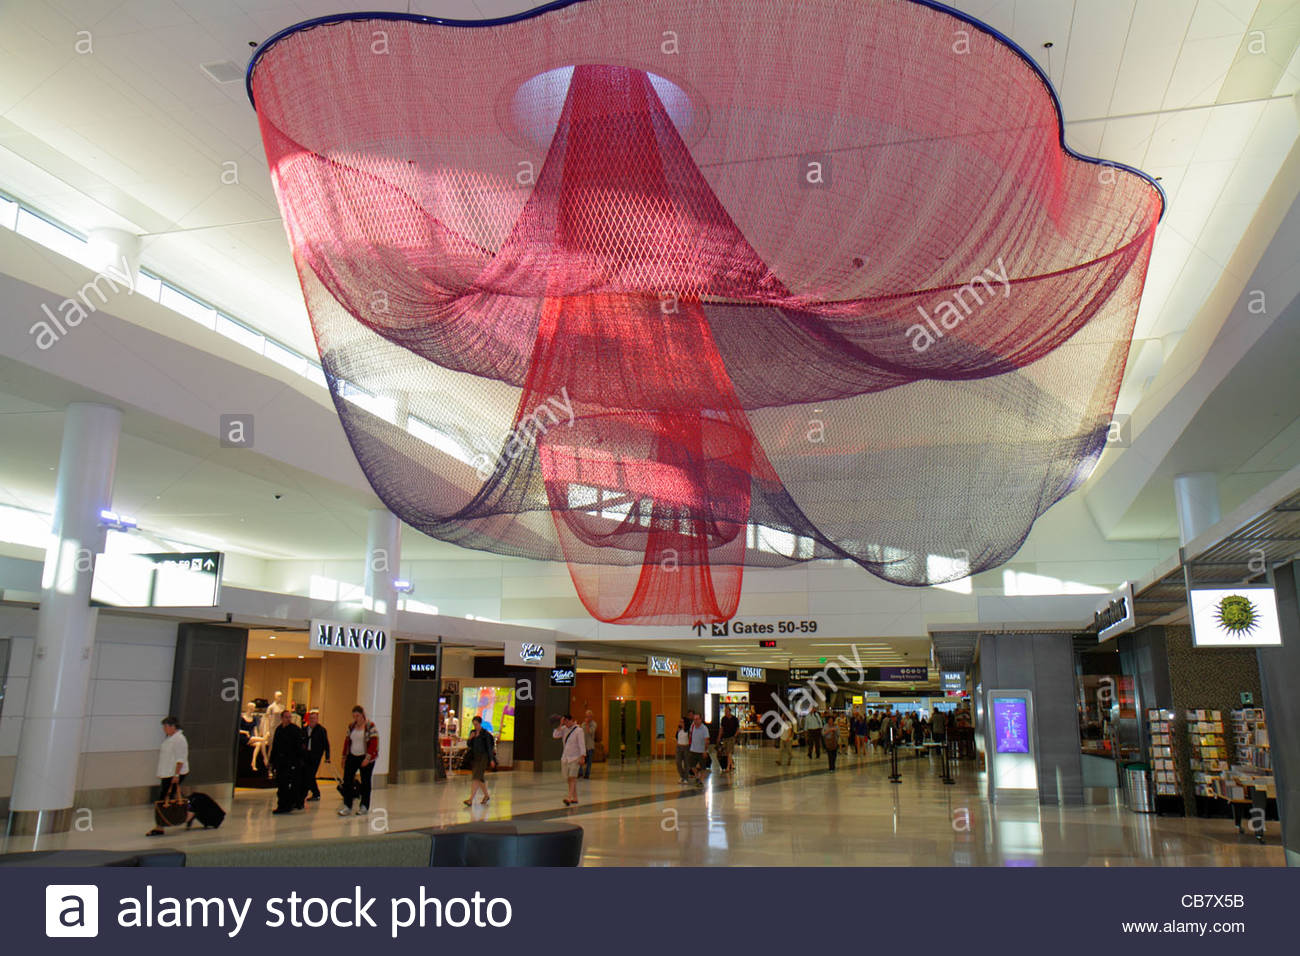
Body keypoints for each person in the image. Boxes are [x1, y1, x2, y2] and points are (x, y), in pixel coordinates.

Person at [337, 705, 378, 816]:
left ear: (362, 715)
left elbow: (374, 742)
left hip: (365, 757)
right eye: (354, 716)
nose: (356, 718)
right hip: (352, 756)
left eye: (358, 716)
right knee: (348, 780)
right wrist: (344, 757)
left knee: (365, 782)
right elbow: (347, 742)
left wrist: (368, 758)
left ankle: (364, 805)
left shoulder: (370, 726)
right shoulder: (351, 727)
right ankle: (347, 805)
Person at [270, 709, 305, 814]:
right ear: (282, 718)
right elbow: (275, 746)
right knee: (281, 784)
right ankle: (282, 805)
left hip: (291, 762)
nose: (289, 719)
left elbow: (299, 747)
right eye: (286, 717)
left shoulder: (295, 730)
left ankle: (288, 805)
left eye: (290, 717)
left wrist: (298, 761)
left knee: (288, 785)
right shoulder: (279, 730)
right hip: (281, 762)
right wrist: (272, 761)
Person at [463, 715, 496, 807]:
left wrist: (491, 759)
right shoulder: (473, 732)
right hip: (475, 757)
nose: (475, 726)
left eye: (476, 724)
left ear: (480, 724)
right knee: (479, 777)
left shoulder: (486, 735)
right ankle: (486, 795)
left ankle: (470, 799)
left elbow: (489, 748)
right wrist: (470, 738)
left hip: (483, 757)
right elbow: (469, 744)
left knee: (476, 777)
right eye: (474, 724)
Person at [553, 713, 587, 805]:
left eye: (568, 721)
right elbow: (555, 735)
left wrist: (583, 756)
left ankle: (569, 797)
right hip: (565, 757)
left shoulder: (578, 730)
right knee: (569, 778)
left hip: (575, 757)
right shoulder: (564, 729)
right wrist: (560, 724)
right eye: (565, 722)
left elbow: (581, 744)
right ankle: (575, 798)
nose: (566, 723)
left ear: (572, 720)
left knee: (572, 777)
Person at [156, 716, 189, 804]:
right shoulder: (170, 738)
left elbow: (180, 759)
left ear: (173, 726)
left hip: (174, 773)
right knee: (165, 795)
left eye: (165, 727)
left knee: (166, 796)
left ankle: (166, 815)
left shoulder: (179, 739)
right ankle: (164, 814)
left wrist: (176, 775)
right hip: (168, 772)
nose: (164, 729)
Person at [301, 709, 330, 802]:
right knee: (306, 774)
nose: (313, 720)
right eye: (311, 718)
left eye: (315, 718)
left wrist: (327, 756)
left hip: (315, 755)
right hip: (306, 755)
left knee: (310, 774)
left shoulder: (321, 730)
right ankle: (312, 793)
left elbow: (326, 743)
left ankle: (314, 793)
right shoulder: (305, 729)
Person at [688, 712, 710, 785]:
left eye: (697, 719)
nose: (695, 721)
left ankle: (700, 781)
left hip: (701, 751)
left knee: (703, 767)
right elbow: (690, 735)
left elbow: (707, 741)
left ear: (701, 719)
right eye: (694, 719)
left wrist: (705, 751)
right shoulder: (692, 726)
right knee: (692, 765)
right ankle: (697, 776)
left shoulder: (704, 729)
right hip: (693, 749)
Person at [718, 706, 740, 773]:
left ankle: (728, 766)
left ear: (730, 711)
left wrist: (735, 736)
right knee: (727, 752)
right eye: (725, 712)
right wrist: (719, 736)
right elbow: (722, 728)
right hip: (725, 737)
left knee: (729, 751)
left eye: (727, 711)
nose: (726, 713)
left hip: (731, 737)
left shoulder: (734, 719)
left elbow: (737, 728)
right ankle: (732, 764)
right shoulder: (723, 719)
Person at [580, 710, 598, 779]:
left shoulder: (594, 724)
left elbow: (590, 731)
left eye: (589, 716)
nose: (587, 717)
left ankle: (587, 775)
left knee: (589, 762)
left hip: (590, 746)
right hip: (583, 746)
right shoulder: (583, 724)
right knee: (580, 761)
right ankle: (580, 773)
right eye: (586, 716)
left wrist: (587, 724)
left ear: (591, 717)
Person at [675, 719, 691, 783]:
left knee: (686, 763)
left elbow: (690, 739)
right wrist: (678, 730)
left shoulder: (688, 731)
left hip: (686, 747)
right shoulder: (679, 730)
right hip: (679, 747)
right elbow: (676, 737)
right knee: (678, 762)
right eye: (680, 721)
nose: (680, 723)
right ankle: (682, 776)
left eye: (681, 722)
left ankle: (686, 777)